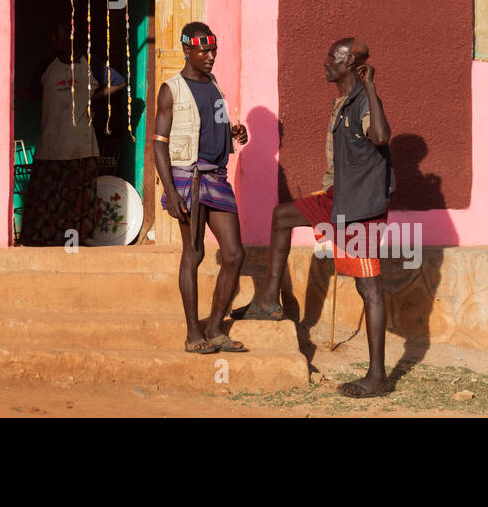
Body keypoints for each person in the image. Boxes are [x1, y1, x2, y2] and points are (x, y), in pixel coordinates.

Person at [233, 36, 394, 397]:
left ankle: (378, 377)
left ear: (350, 62)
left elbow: (381, 137)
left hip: (361, 208)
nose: (324, 62)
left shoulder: (365, 101)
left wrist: (371, 87)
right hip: (338, 197)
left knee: (369, 286)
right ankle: (269, 301)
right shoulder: (342, 101)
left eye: (331, 58)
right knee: (281, 217)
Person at [153, 21, 250, 354]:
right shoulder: (172, 89)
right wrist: (171, 191)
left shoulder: (214, 84)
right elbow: (158, 144)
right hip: (186, 177)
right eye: (203, 50)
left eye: (214, 50)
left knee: (235, 254)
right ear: (187, 50)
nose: (210, 56)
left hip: (216, 177)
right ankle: (193, 334)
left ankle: (216, 328)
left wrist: (235, 132)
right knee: (193, 254)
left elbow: (214, 122)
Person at [16, 19, 125, 247]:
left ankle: (76, 242)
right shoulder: (49, 64)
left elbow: (118, 82)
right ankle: (45, 242)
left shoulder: (91, 64)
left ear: (70, 36)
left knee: (77, 201)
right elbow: (33, 93)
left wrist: (93, 96)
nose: (53, 40)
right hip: (50, 146)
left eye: (57, 34)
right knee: (46, 199)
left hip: (81, 147)